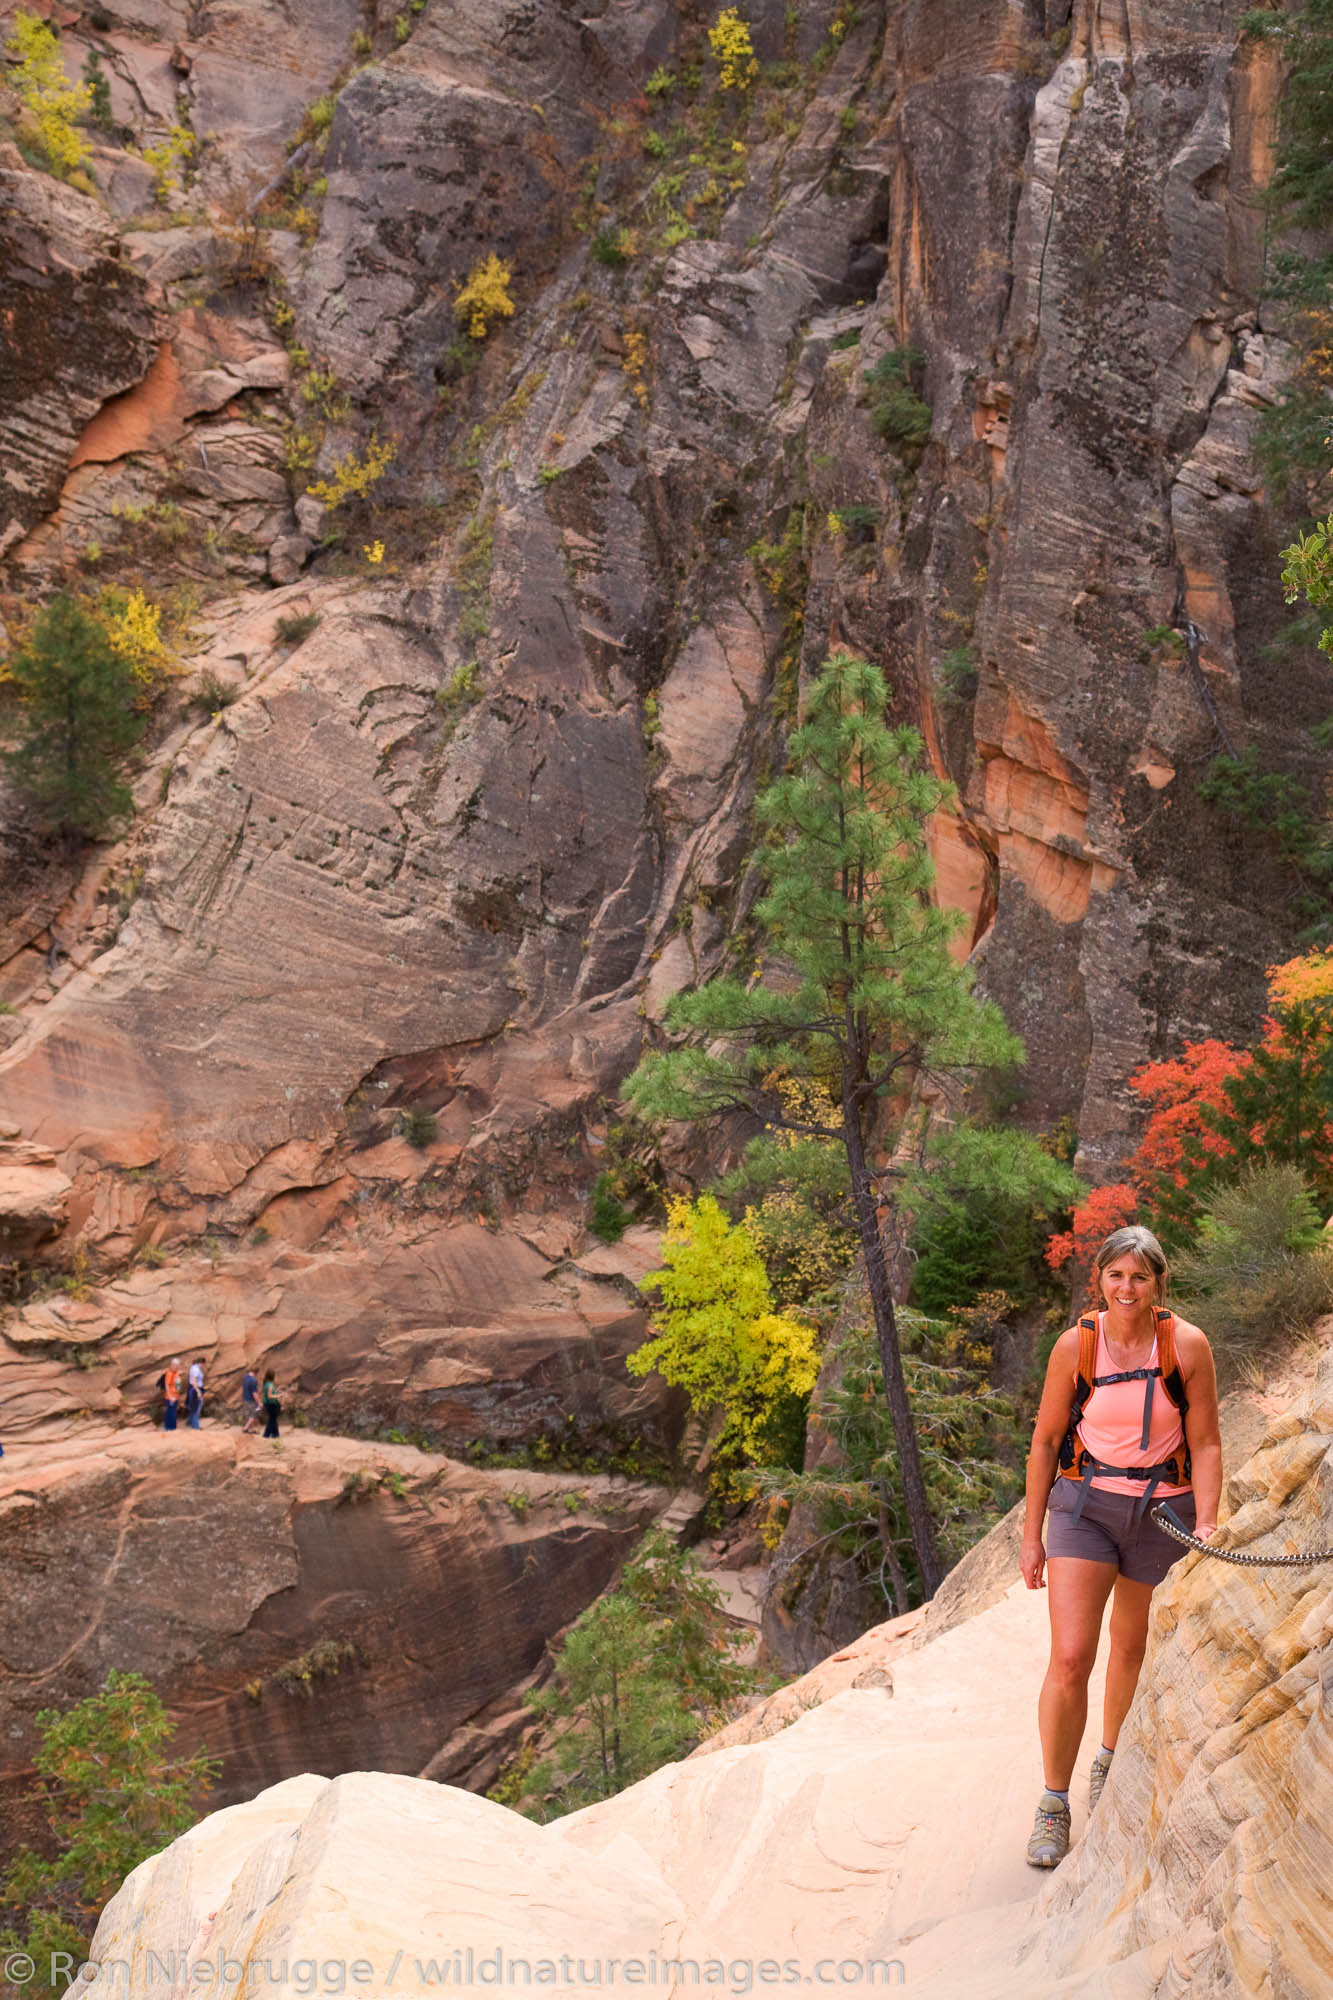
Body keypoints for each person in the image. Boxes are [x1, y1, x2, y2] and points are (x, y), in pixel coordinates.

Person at [1021, 1224, 1221, 1868]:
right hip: (1084, 1508)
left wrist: (1210, 1523)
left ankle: (1108, 1762)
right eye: (1115, 1276)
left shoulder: (1186, 1345)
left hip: (1165, 1512)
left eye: (1139, 1276)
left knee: (1131, 1645)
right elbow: (1047, 1442)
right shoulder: (1074, 1346)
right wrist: (1031, 1537)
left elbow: (1209, 1441)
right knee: (1073, 1655)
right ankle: (1054, 1803)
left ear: (1159, 1282)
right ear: (1099, 1281)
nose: (1126, 1288)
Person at [162, 1358, 181, 1432]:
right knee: (170, 1413)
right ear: (172, 1365)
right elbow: (167, 1385)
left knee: (173, 1412)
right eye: (175, 1365)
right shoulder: (169, 1373)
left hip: (175, 1396)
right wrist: (170, 1397)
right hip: (171, 1397)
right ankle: (169, 1428)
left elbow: (177, 1384)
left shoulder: (176, 1373)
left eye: (178, 1365)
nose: (176, 1367)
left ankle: (173, 1427)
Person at [240, 1366, 260, 1434]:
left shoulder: (245, 1377)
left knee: (248, 1415)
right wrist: (259, 1402)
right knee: (253, 1415)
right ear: (256, 1372)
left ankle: (251, 1429)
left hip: (245, 1399)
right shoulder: (254, 1380)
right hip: (251, 1400)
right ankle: (245, 1428)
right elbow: (254, 1394)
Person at [186, 1358, 205, 1429]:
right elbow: (194, 1381)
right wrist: (198, 1392)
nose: (203, 1366)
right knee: (197, 1407)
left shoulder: (193, 1367)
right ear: (202, 1363)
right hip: (195, 1389)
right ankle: (195, 1426)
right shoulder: (196, 1369)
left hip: (192, 1388)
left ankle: (190, 1421)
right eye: (203, 1364)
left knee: (193, 1406)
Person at [261, 1371, 281, 1439]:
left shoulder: (265, 1383)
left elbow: (266, 1394)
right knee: (272, 1419)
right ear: (272, 1376)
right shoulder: (270, 1385)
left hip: (267, 1403)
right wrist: (278, 1396)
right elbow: (269, 1396)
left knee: (273, 1418)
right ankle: (267, 1434)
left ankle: (275, 1434)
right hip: (271, 1403)